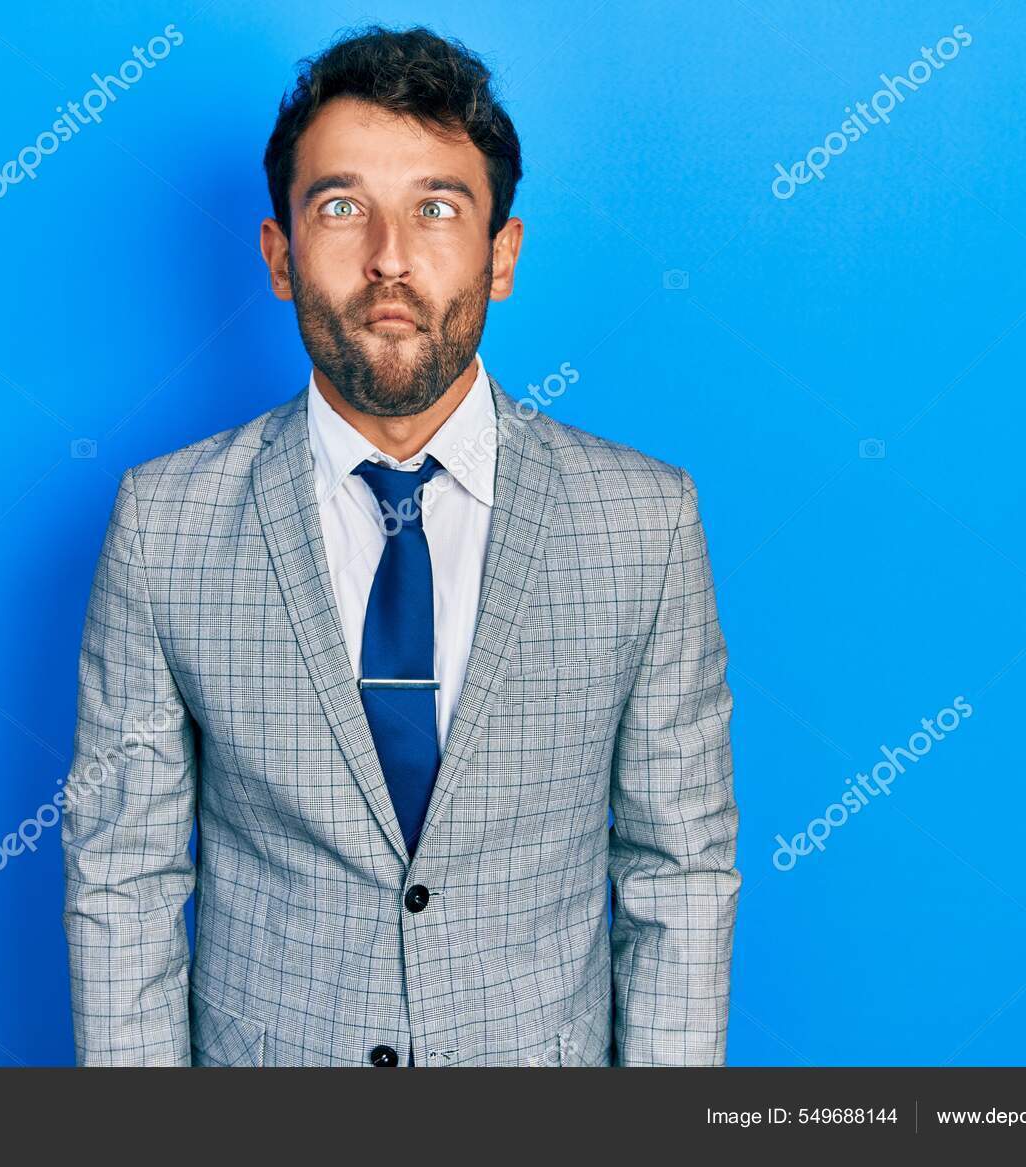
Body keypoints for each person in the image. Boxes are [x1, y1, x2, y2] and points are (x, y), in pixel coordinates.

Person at [62, 24, 739, 1067]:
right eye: (340, 207)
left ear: (500, 255)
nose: (388, 256)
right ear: (280, 257)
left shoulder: (642, 521)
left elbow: (678, 872)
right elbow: (122, 878)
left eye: (436, 207)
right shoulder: (165, 522)